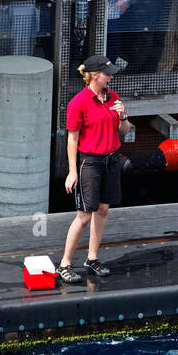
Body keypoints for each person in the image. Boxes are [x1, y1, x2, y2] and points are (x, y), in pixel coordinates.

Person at [58, 55, 130, 283]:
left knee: (103, 209)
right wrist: (72, 171)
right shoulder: (78, 103)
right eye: (108, 73)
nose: (111, 76)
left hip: (111, 159)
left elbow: (124, 132)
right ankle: (65, 263)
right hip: (90, 161)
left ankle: (92, 258)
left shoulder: (113, 98)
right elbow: (72, 139)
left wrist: (123, 115)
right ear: (95, 76)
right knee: (84, 215)